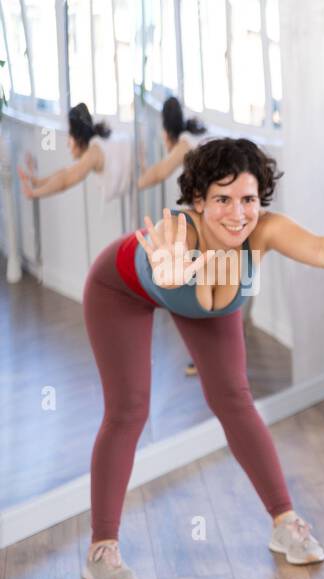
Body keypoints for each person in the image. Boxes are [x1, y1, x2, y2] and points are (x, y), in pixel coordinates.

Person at [80, 138, 324, 579]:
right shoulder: (176, 238)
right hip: (119, 289)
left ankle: (285, 521)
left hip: (197, 292)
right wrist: (165, 274)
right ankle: (102, 548)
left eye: (248, 199)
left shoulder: (261, 231)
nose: (237, 214)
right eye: (222, 199)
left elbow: (319, 248)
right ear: (198, 201)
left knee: (234, 398)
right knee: (129, 411)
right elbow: (157, 265)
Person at [137, 96, 211, 376]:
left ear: (166, 129)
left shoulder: (184, 144)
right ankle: (210, 358)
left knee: (196, 290)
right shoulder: (199, 135)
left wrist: (139, 181)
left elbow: (159, 173)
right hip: (218, 216)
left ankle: (203, 359)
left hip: (206, 220)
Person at [18, 102, 132, 204]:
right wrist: (37, 182)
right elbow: (65, 172)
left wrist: (33, 193)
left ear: (78, 137)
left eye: (69, 137)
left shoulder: (93, 153)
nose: (68, 144)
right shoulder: (98, 144)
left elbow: (65, 180)